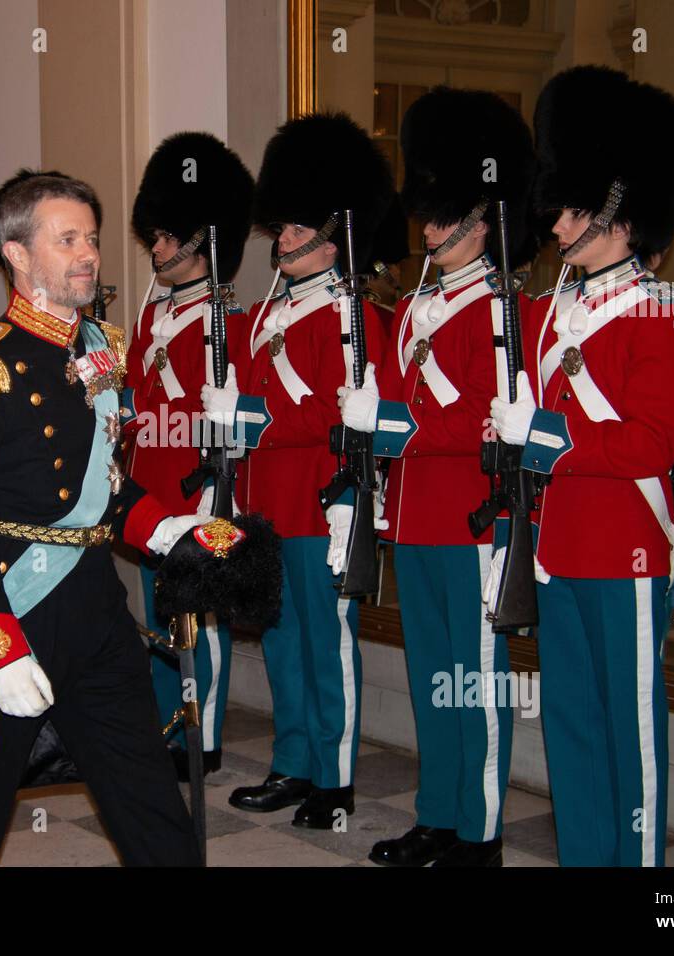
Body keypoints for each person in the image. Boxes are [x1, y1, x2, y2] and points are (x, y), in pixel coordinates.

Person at [0, 169, 205, 866]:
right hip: (11, 614)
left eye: (94, 238)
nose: (88, 254)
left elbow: (105, 488)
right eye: (67, 238)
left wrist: (166, 531)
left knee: (151, 806)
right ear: (17, 254)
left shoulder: (99, 352)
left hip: (96, 614)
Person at [489, 66, 674, 866]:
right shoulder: (547, 314)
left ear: (616, 208)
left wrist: (539, 432)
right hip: (556, 548)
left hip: (628, 547)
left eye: (573, 207)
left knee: (631, 731)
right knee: (573, 726)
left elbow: (648, 444)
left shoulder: (666, 312)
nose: (558, 221)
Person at [340, 88, 537, 866]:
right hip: (415, 516)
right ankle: (439, 813)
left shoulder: (501, 308)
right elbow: (399, 407)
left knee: (478, 682)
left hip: (473, 517)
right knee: (434, 676)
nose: (427, 229)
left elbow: (491, 421)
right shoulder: (420, 306)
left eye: (443, 214)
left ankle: (480, 829)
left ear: (480, 220)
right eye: (426, 213)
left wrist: (402, 426)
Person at [203, 112, 392, 829]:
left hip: (320, 505)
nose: (279, 240)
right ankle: (294, 762)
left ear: (328, 231)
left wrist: (253, 420)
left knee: (326, 644)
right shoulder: (262, 316)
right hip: (265, 506)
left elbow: (335, 420)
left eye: (292, 228)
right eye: (278, 227)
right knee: (281, 642)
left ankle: (334, 775)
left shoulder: (353, 315)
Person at [123, 131, 255, 780]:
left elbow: (229, 423)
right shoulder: (153, 319)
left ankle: (201, 742)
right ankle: (165, 727)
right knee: (160, 622)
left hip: (199, 493)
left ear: (200, 240)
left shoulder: (224, 321)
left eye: (168, 236)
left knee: (202, 624)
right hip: (151, 492)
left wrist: (217, 499)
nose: (157, 246)